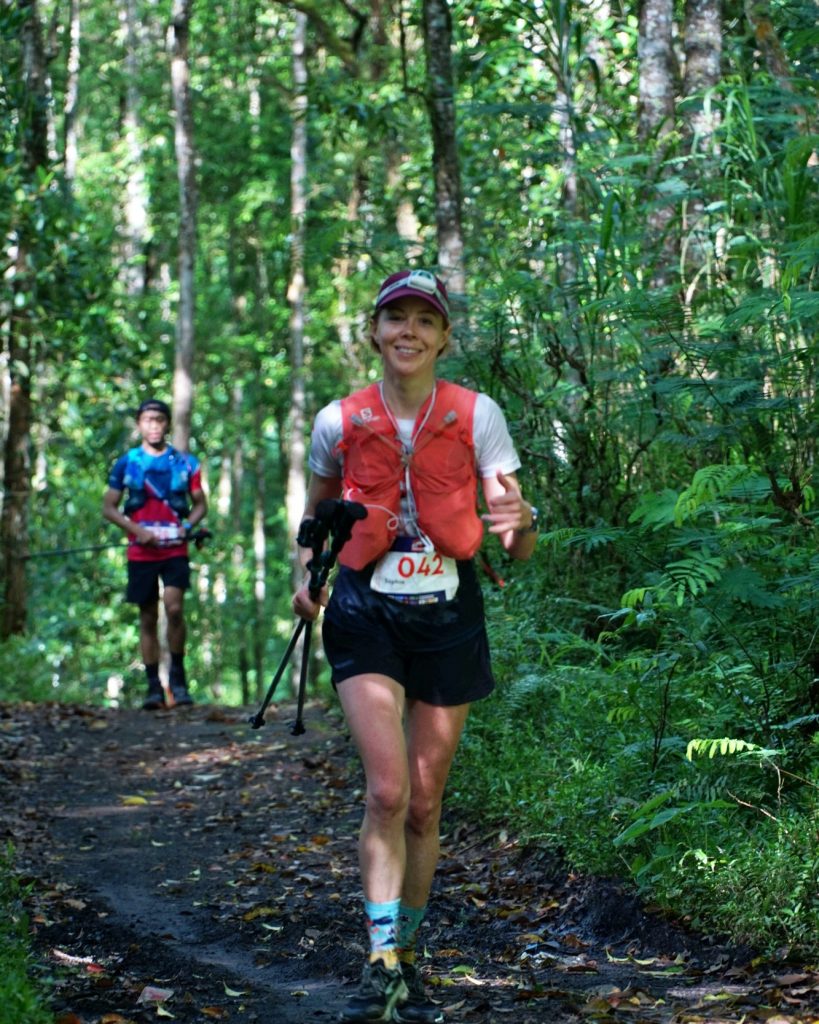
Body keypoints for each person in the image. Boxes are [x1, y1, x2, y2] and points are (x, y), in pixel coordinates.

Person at [291, 269, 538, 1023]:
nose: (408, 332)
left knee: (426, 804)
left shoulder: (477, 415)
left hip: (449, 611)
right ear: (373, 331)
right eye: (394, 318)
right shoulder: (339, 419)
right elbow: (317, 518)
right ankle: (380, 955)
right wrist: (306, 581)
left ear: (442, 338)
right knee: (388, 791)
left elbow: (518, 544)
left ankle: (410, 951)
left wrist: (520, 523)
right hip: (365, 611)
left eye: (423, 321)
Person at [102, 398, 208, 710]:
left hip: (175, 548)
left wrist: (186, 526)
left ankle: (178, 679)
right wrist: (136, 530)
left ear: (167, 424)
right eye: (148, 420)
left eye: (159, 420)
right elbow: (108, 507)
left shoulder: (186, 463)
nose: (154, 426)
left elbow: (200, 504)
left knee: (174, 609)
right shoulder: (127, 463)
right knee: (147, 615)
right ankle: (153, 687)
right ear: (139, 424)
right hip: (141, 551)